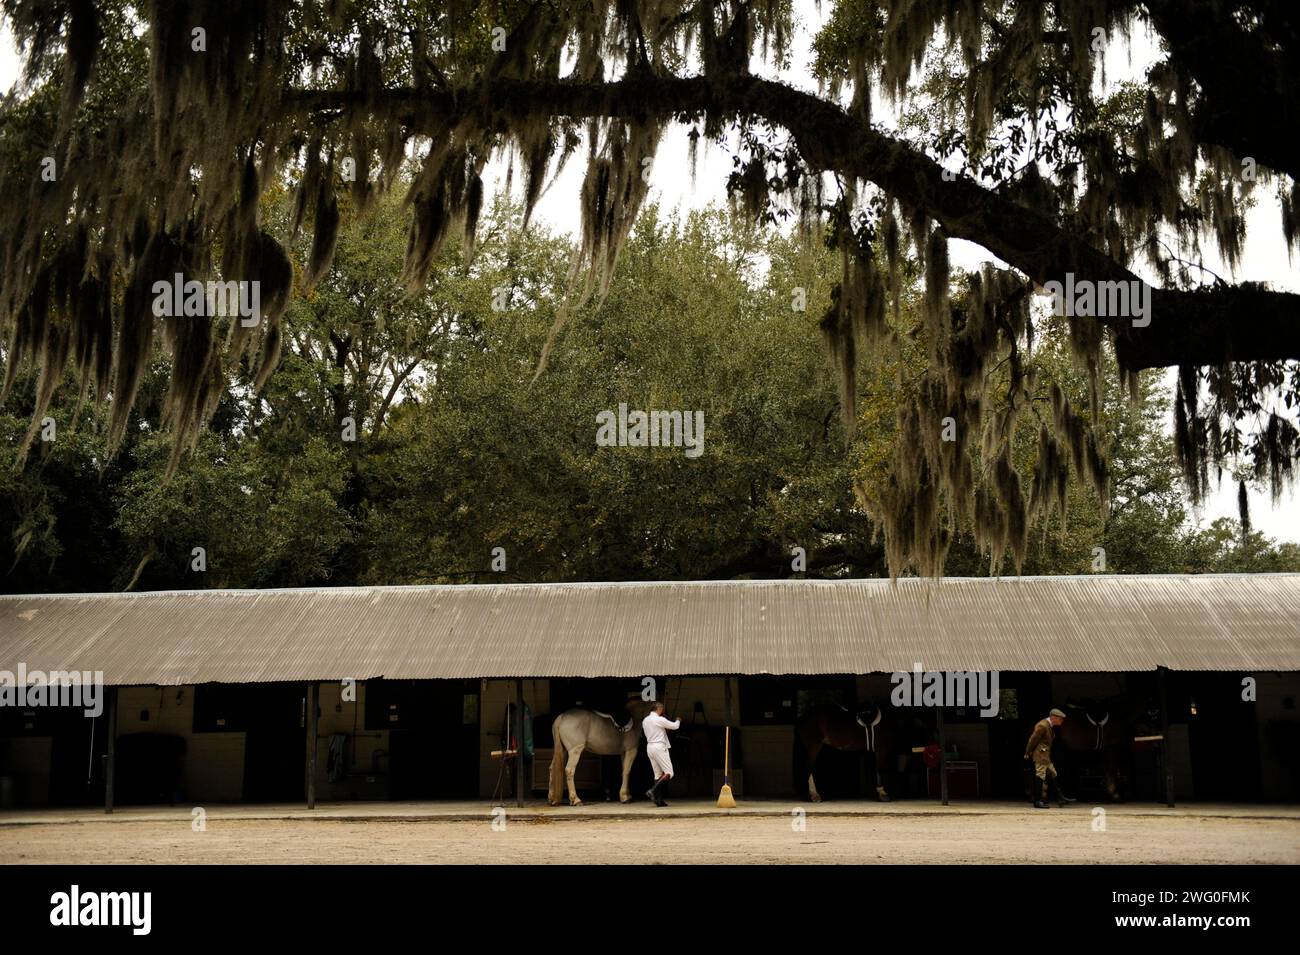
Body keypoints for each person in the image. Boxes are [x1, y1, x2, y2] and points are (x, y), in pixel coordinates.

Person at [1024, 708, 1075, 808]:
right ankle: (1037, 801)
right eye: (1060, 719)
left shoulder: (1049, 726)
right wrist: (1028, 752)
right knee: (1040, 775)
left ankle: (1060, 798)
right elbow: (1032, 739)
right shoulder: (1042, 725)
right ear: (1053, 717)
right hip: (1040, 755)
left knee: (1053, 773)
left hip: (1045, 755)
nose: (1062, 721)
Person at [642, 702, 680, 807]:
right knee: (669, 773)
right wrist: (678, 720)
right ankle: (652, 791)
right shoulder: (659, 719)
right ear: (659, 708)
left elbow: (659, 730)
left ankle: (659, 801)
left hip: (650, 747)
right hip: (659, 747)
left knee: (657, 775)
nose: (662, 710)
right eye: (662, 708)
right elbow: (675, 726)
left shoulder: (645, 720)